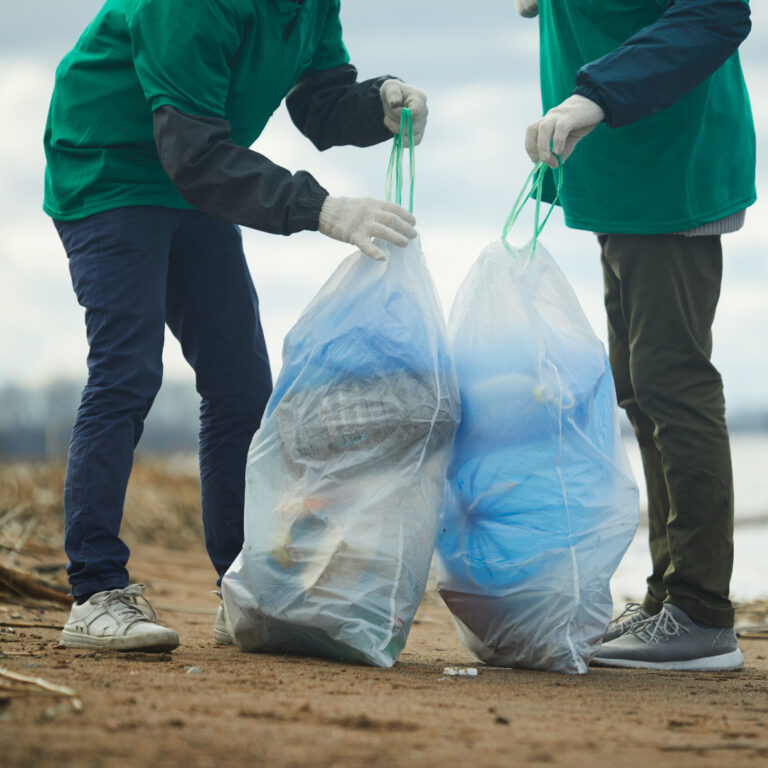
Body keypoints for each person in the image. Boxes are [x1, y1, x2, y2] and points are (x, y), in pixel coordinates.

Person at [44, 0, 427, 652]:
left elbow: (320, 99)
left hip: (194, 182)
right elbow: (192, 153)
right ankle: (96, 591)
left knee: (242, 382)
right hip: (111, 169)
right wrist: (322, 209)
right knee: (127, 369)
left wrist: (376, 102)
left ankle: (241, 589)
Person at [517, 0, 755, 670]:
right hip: (620, 176)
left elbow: (716, 13)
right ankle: (667, 600)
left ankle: (702, 611)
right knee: (640, 389)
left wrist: (593, 96)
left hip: (666, 167)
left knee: (670, 381)